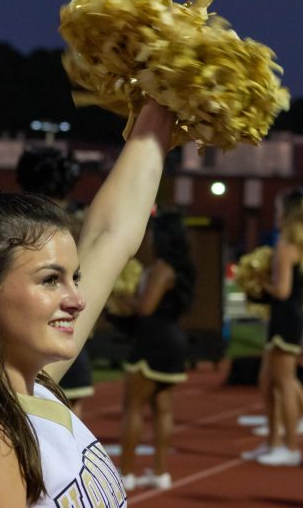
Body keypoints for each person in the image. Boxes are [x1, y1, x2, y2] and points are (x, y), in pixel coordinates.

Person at [0, 99, 174, 507]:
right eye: (50, 280)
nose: (76, 300)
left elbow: (111, 232)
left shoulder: (36, 390)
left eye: (73, 278)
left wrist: (161, 102)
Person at [118, 210, 195, 491]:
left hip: (153, 342)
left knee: (133, 408)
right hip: (173, 340)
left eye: (151, 232)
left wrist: (121, 296)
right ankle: (160, 471)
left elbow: (146, 307)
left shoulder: (161, 269)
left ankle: (125, 473)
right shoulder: (180, 268)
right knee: (163, 409)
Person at [15, 147, 94, 418]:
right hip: (47, 344)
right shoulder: (71, 229)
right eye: (50, 279)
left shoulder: (11, 228)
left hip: (33, 346)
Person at [241, 190, 303, 467]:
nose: (275, 215)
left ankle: (291, 447)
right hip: (288, 318)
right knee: (267, 382)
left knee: (283, 384)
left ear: (288, 215)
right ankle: (272, 442)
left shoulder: (286, 247)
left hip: (285, 318)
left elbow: (282, 291)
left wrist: (259, 282)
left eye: (278, 210)